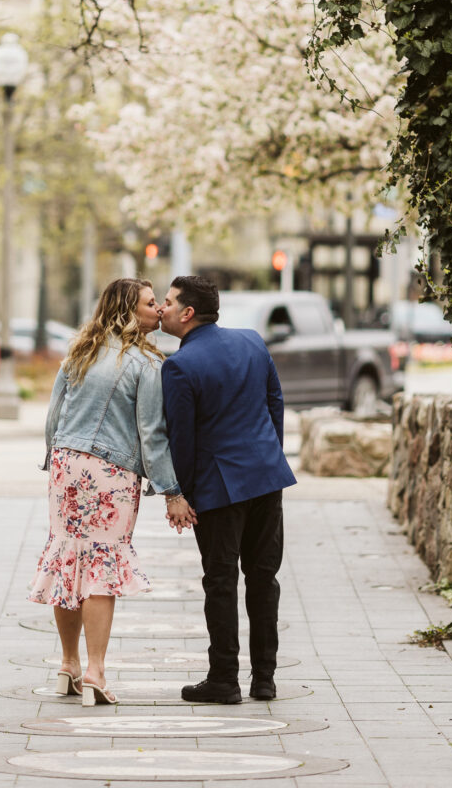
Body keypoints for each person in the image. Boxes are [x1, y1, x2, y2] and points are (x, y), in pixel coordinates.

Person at [30, 278, 195, 707]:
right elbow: (152, 435)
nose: (159, 309)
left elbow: (53, 418)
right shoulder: (145, 363)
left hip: (66, 465)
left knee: (67, 556)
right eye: (149, 303)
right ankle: (96, 673)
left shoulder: (79, 351)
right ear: (127, 311)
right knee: (101, 567)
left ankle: (67, 663)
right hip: (112, 472)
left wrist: (58, 461)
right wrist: (172, 490)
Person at [159, 275, 296, 704]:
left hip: (219, 490)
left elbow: (181, 439)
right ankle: (264, 678)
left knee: (220, 582)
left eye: (166, 302)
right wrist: (267, 454)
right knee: (263, 579)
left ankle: (223, 679)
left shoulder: (179, 366)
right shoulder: (252, 342)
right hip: (267, 478)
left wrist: (178, 493)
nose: (160, 309)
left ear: (187, 313)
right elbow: (275, 402)